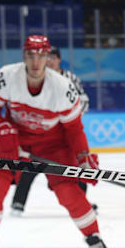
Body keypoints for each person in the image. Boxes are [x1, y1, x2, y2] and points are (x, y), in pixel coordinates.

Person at [0, 34, 111, 248]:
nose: (36, 62)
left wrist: (82, 157)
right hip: (15, 139)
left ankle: (95, 241)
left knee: (70, 193)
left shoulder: (62, 87)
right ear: (24, 56)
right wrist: (3, 130)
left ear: (47, 57)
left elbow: (74, 128)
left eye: (41, 56)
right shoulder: (6, 77)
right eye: (30, 56)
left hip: (55, 144)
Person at [9, 45, 92, 216]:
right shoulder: (35, 79)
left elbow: (84, 101)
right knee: (31, 167)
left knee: (76, 167)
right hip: (43, 133)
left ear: (59, 60)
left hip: (65, 134)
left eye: (53, 58)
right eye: (47, 57)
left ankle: (82, 202)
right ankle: (18, 203)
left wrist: (69, 114)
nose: (49, 61)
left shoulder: (70, 79)